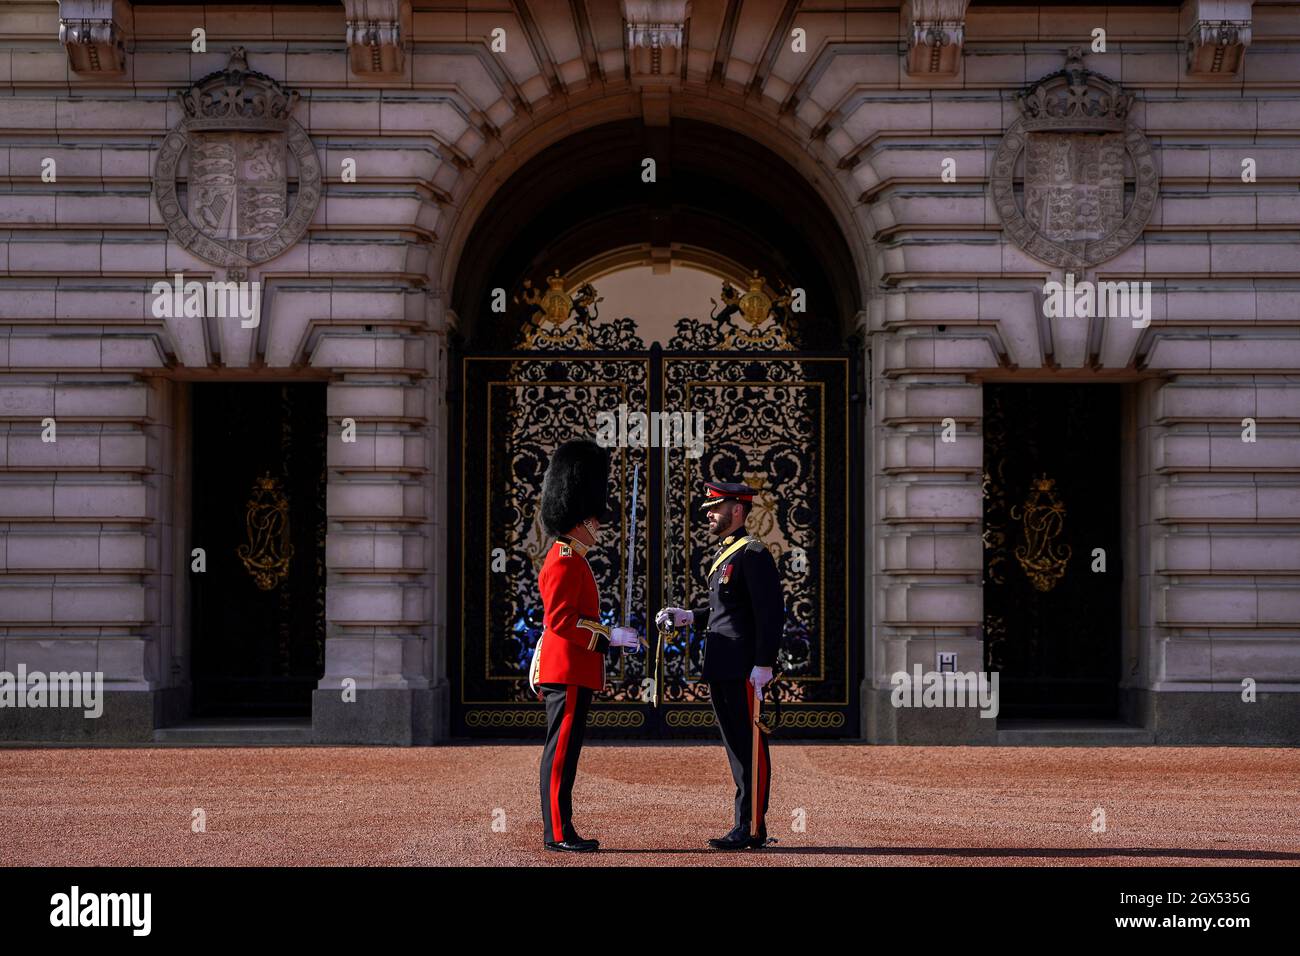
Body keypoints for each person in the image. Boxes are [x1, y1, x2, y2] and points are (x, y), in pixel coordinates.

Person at [656, 479, 784, 849]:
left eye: (716, 508)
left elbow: (770, 614)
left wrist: (764, 664)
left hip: (744, 668)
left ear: (738, 510)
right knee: (736, 747)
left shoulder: (753, 553)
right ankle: (746, 823)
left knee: (749, 747)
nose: (710, 515)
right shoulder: (729, 553)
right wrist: (686, 616)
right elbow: (722, 613)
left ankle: (752, 826)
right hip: (723, 665)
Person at [532, 438, 639, 852]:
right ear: (579, 518)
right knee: (560, 755)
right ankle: (558, 833)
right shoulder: (562, 559)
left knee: (567, 754)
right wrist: (609, 636)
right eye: (594, 520)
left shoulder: (572, 558)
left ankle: (562, 829)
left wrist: (609, 635)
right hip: (567, 669)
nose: (599, 526)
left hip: (575, 668)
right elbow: (561, 620)